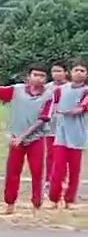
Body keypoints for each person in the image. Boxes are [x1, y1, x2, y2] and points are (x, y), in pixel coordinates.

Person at [0, 66, 53, 214]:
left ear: (45, 79)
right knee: (12, 172)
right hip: (15, 137)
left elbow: (43, 119)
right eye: (35, 75)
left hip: (36, 138)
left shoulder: (48, 95)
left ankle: (37, 205)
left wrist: (23, 137)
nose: (38, 78)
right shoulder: (16, 90)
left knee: (37, 172)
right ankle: (10, 204)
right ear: (28, 77)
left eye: (42, 76)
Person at [49, 58, 88, 209]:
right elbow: (53, 105)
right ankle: (54, 198)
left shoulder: (86, 91)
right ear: (70, 72)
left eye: (82, 70)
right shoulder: (61, 90)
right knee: (57, 169)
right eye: (76, 70)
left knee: (74, 170)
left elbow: (81, 109)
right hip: (61, 135)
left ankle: (70, 200)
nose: (79, 73)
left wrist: (65, 111)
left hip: (77, 136)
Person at [46, 60, 69, 191]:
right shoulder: (47, 87)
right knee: (50, 154)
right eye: (54, 71)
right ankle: (49, 179)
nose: (56, 74)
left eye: (59, 71)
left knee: (64, 154)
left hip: (66, 126)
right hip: (50, 126)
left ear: (66, 73)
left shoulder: (72, 87)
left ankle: (63, 179)